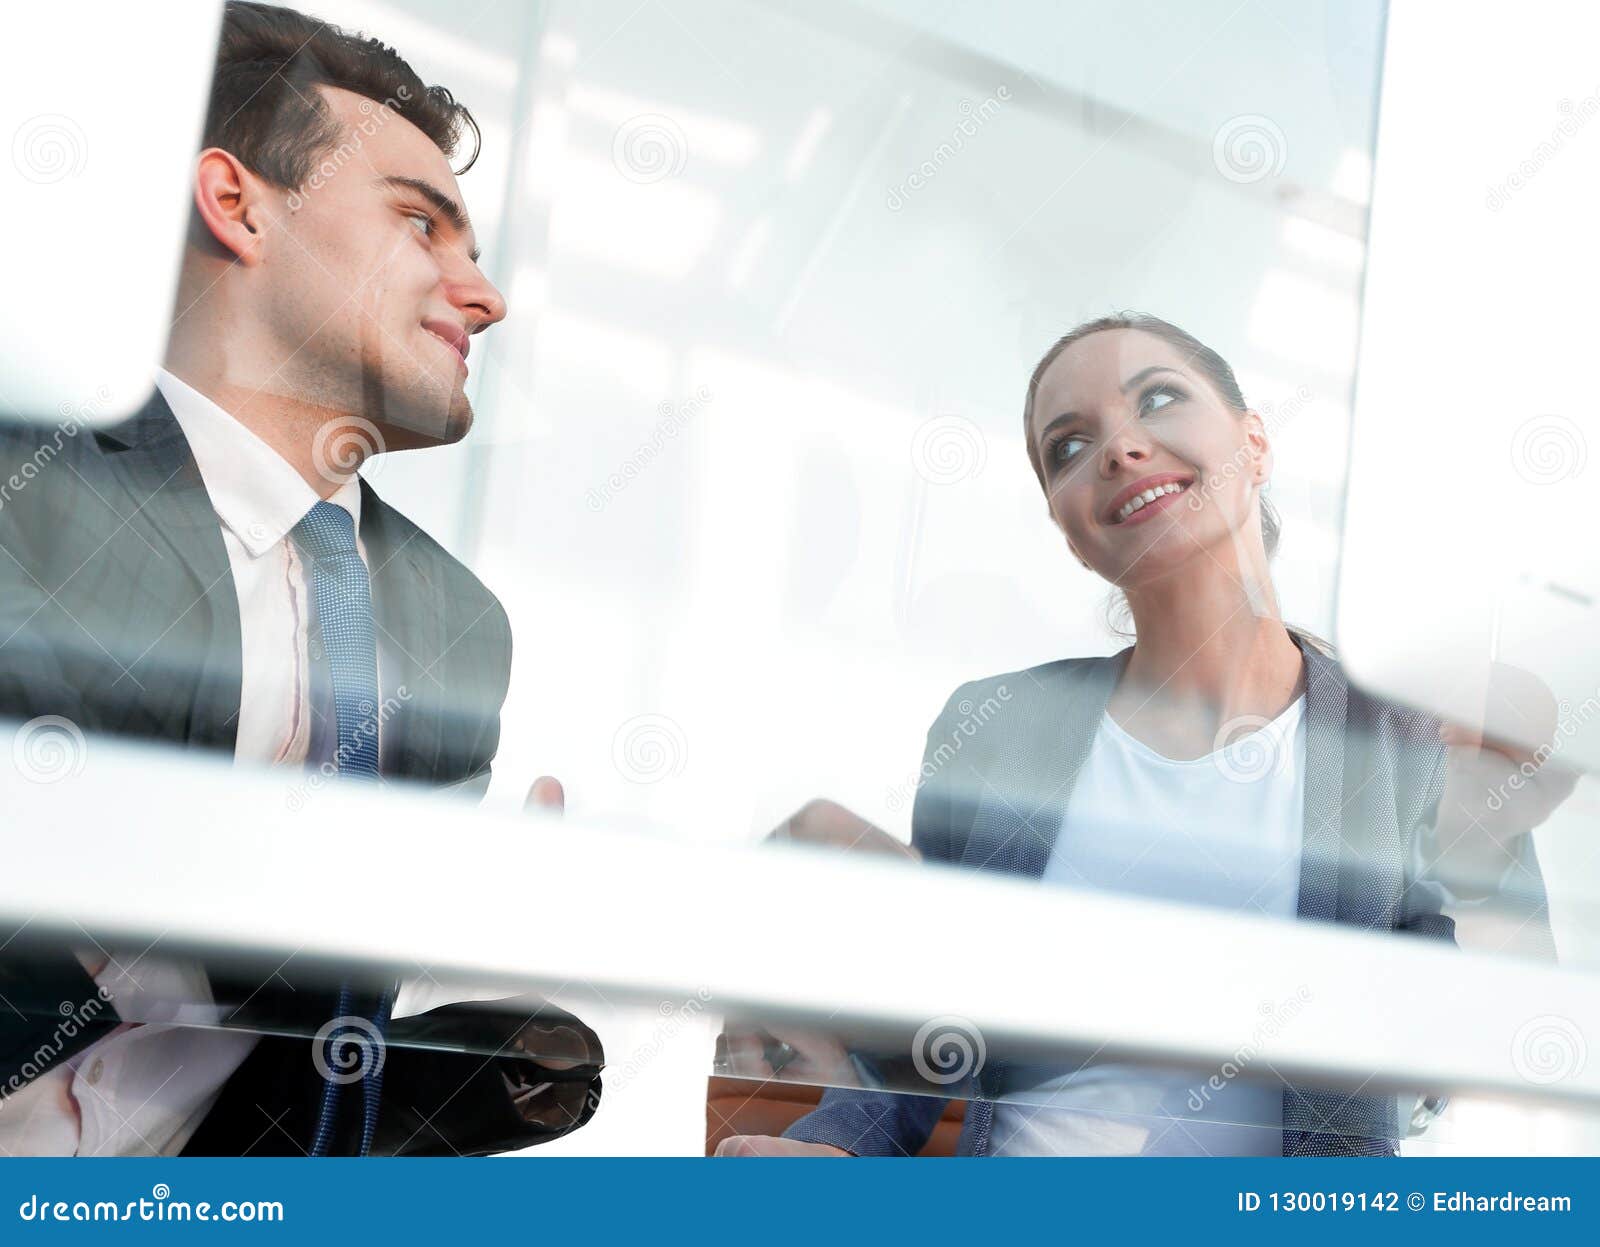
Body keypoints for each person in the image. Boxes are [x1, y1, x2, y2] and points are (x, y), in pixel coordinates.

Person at [717, 313, 1572, 1158]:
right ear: (1066, 525)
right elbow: (925, 1038)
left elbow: (1492, 1036)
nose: (1120, 450)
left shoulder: (1400, 742)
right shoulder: (1000, 728)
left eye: (1157, 399)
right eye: (1069, 446)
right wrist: (833, 1149)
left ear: (1255, 442)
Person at [0, 1, 599, 1156]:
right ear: (235, 204)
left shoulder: (455, 627)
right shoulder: (30, 487)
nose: (485, 294)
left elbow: (299, 1055)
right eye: (422, 224)